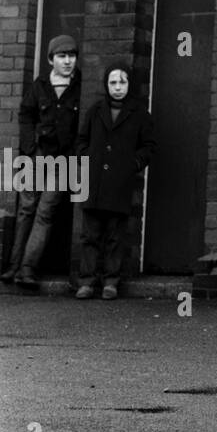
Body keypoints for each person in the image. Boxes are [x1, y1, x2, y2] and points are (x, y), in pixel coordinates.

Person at [2, 34, 83, 292]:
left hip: (64, 162)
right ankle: (13, 267)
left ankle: (28, 269)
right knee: (26, 208)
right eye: (61, 56)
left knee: (45, 212)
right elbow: (25, 115)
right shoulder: (39, 86)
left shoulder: (80, 86)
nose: (67, 61)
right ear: (51, 59)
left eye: (71, 56)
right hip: (37, 158)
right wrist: (28, 147)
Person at [74, 63, 156, 299]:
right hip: (94, 182)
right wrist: (85, 157)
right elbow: (81, 140)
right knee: (90, 236)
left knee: (114, 236)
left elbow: (149, 147)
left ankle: (111, 281)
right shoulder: (95, 111)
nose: (117, 87)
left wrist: (134, 163)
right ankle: (87, 282)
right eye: (112, 83)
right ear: (106, 85)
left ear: (129, 85)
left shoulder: (139, 115)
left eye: (122, 82)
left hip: (119, 185)